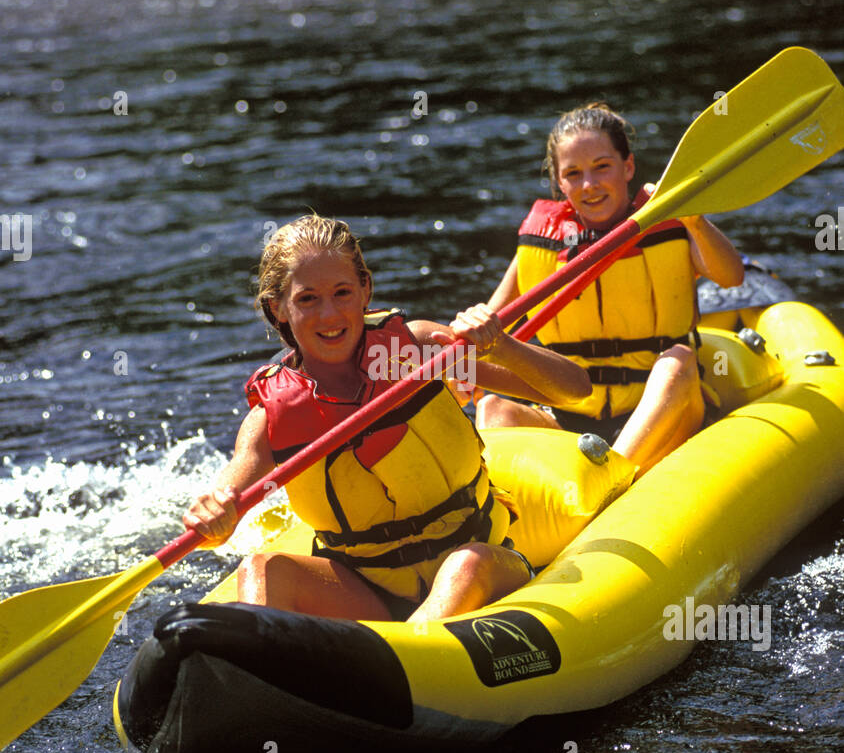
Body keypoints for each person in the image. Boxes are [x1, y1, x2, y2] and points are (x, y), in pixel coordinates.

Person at [183, 214, 591, 623]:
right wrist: (214, 514)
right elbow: (230, 492)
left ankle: (409, 661)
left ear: (366, 290)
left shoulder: (419, 352)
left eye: (343, 292)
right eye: (307, 299)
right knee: (262, 569)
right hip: (367, 592)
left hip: (485, 564)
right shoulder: (272, 417)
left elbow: (573, 390)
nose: (329, 315)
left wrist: (501, 346)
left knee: (466, 564)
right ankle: (260, 672)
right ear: (279, 309)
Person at [479, 102, 744, 474]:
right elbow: (495, 323)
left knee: (678, 360)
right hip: (567, 416)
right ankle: (510, 510)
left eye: (602, 167)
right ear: (559, 182)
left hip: (660, 409)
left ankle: (613, 476)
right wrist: (467, 361)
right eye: (573, 173)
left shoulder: (668, 226)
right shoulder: (545, 242)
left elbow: (732, 276)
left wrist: (696, 221)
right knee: (493, 409)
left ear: (628, 167)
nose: (590, 184)